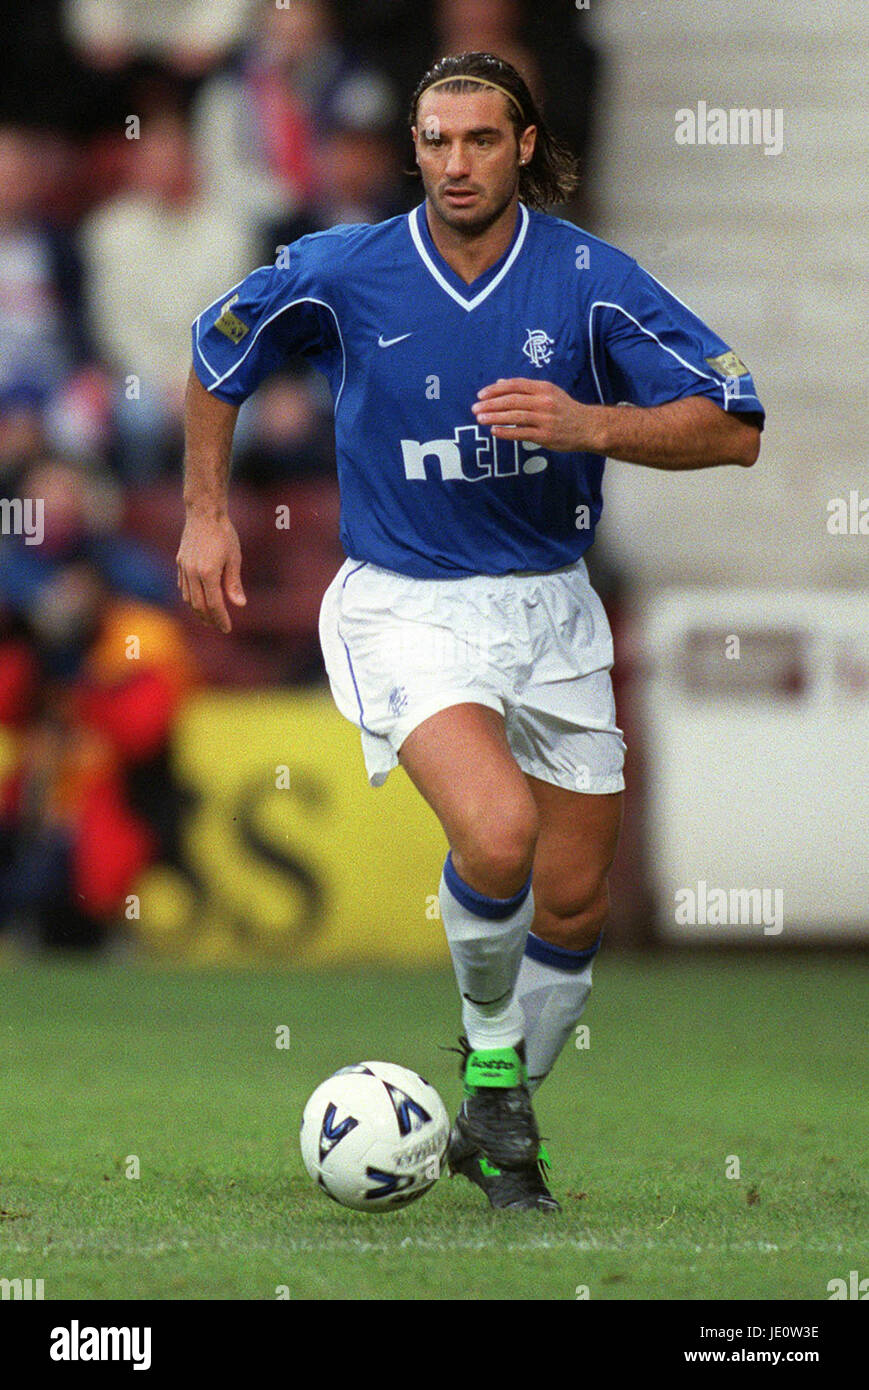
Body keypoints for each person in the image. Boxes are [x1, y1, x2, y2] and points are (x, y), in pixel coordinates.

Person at [177, 51, 764, 1212]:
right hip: (407, 601)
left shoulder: (589, 279)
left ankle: (498, 1121)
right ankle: (490, 1065)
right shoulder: (347, 268)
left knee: (576, 899)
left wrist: (589, 422)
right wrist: (204, 515)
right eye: (435, 140)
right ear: (415, 149)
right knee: (497, 836)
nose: (454, 162)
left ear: (524, 146)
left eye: (479, 139)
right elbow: (215, 354)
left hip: (552, 604)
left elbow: (734, 424)